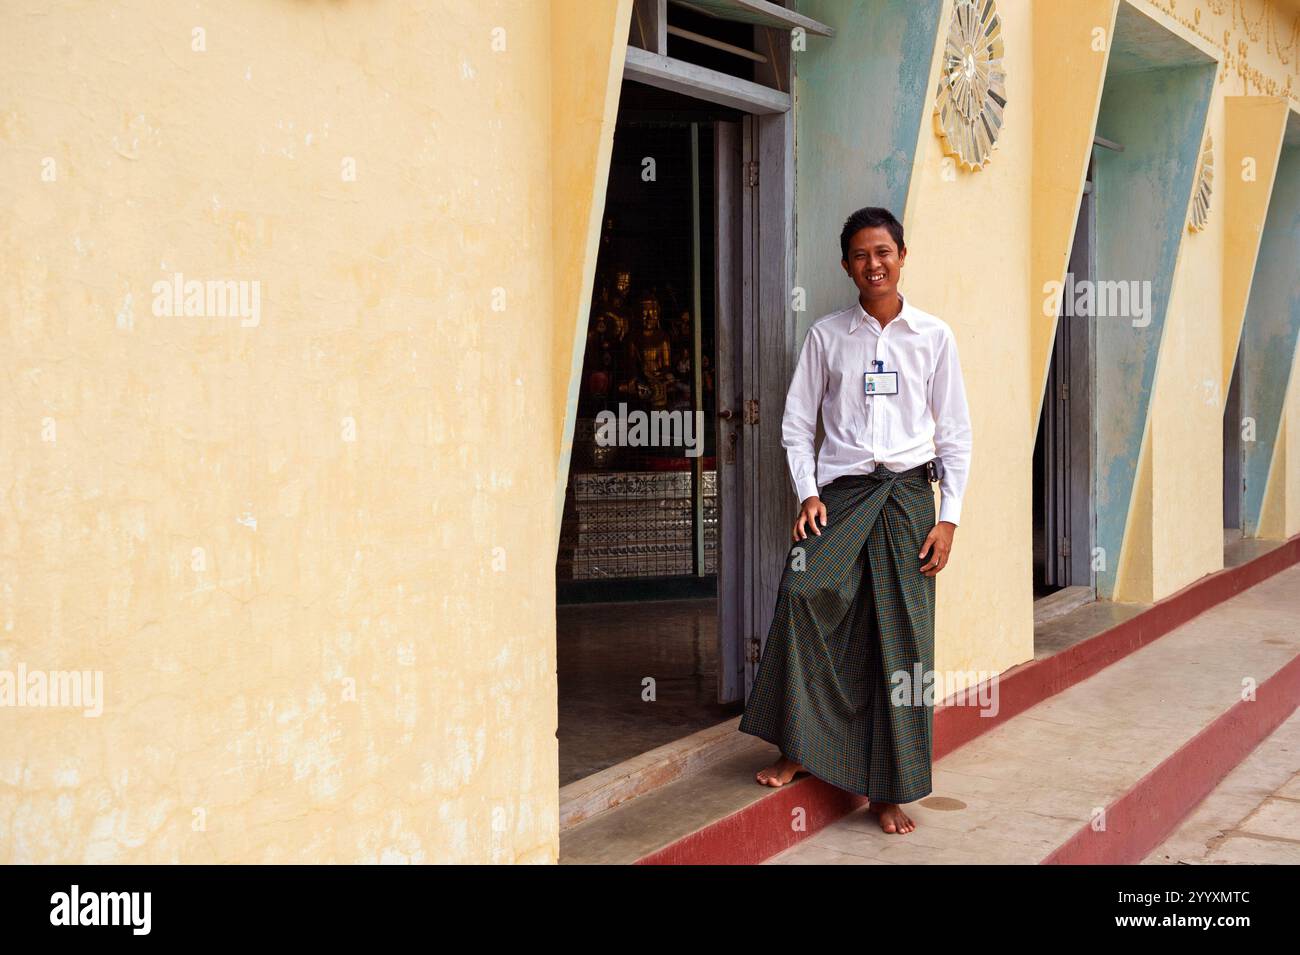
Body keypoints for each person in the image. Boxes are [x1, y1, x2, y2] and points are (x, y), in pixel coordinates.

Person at [736, 206, 973, 835]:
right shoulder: (827, 336)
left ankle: (888, 790)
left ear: (902, 255)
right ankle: (799, 748)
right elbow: (795, 425)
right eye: (862, 255)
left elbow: (955, 436)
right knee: (802, 595)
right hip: (841, 497)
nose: (875, 264)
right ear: (846, 265)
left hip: (908, 499)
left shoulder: (933, 336)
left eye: (884, 251)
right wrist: (808, 493)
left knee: (902, 641)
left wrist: (948, 519)